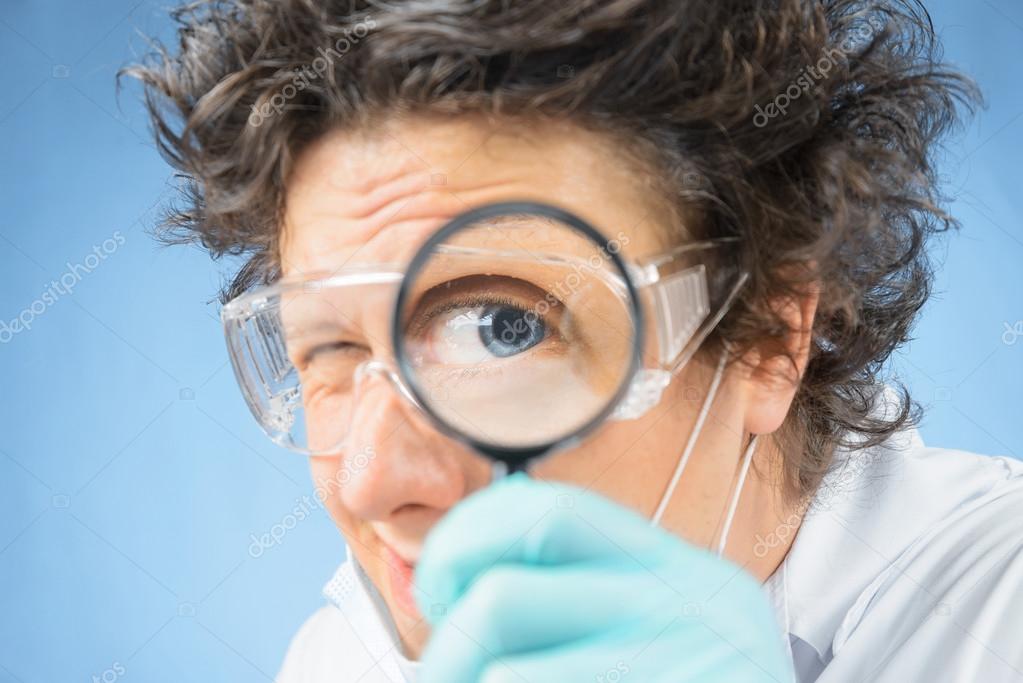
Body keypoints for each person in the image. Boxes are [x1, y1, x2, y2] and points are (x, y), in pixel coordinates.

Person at [126, 0, 1023, 680]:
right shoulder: (341, 659)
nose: (370, 482)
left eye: (501, 328)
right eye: (328, 349)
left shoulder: (997, 609)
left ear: (767, 338)